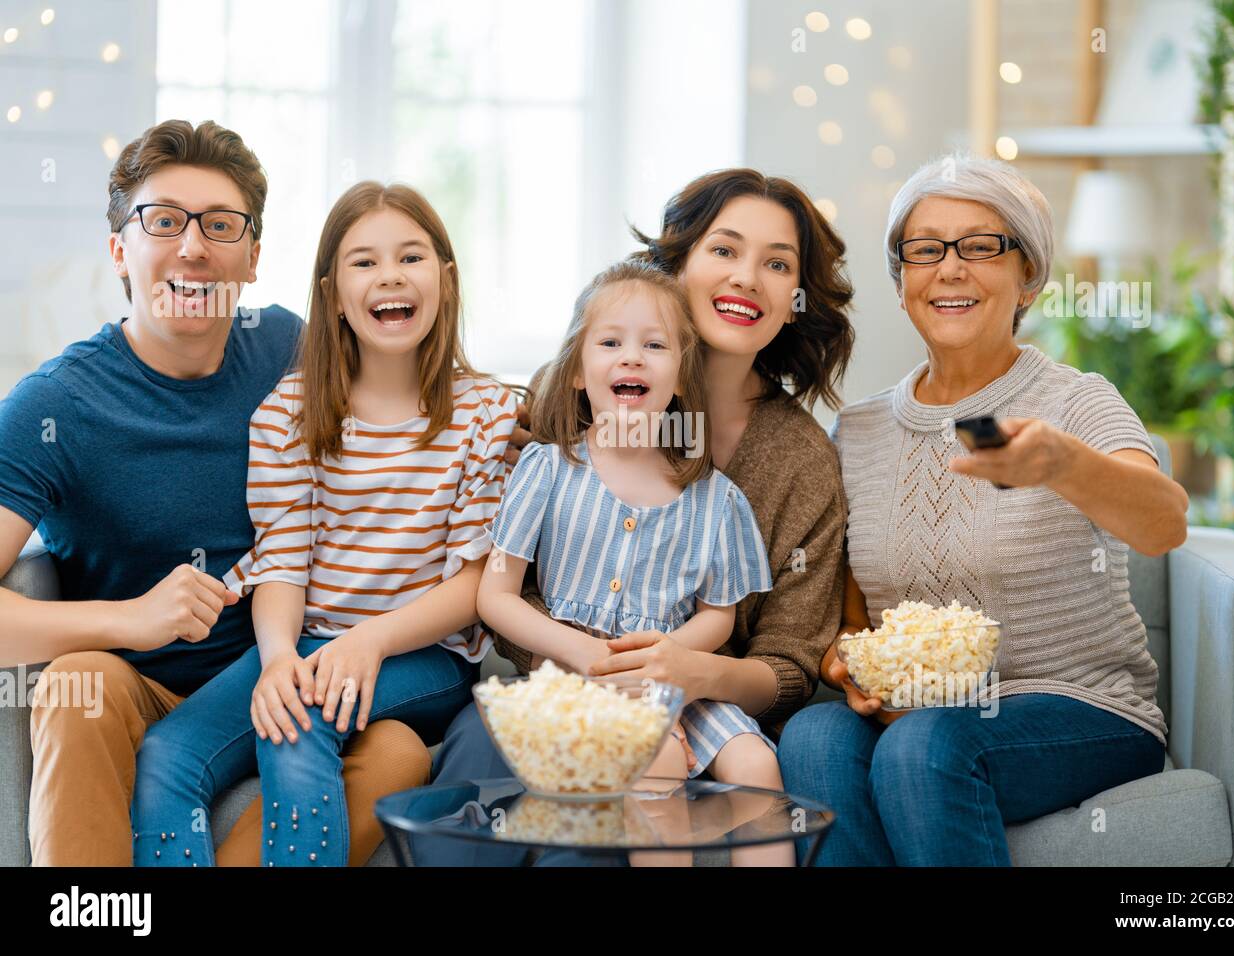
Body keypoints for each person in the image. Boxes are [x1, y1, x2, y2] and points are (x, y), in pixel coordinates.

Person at [0, 120, 429, 866]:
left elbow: (429, 400)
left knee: (397, 750)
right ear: (119, 250)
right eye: (162, 221)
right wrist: (131, 619)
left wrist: (540, 434)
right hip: (144, 688)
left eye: (220, 226)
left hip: (291, 680)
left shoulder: (294, 351)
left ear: (253, 257)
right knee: (80, 685)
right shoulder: (54, 407)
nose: (193, 247)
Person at [429, 169, 855, 865]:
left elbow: (789, 661)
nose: (748, 277)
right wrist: (598, 676)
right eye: (725, 250)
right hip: (563, 684)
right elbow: (513, 581)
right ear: (677, 264)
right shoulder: (569, 401)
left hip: (703, 697)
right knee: (490, 760)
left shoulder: (799, 465)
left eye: (777, 264)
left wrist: (686, 676)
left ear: (796, 300)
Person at [778, 153, 1190, 866]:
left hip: (1078, 707)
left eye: (981, 246)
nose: (950, 268)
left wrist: (1062, 464)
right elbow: (851, 617)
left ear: (1027, 274)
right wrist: (852, 665)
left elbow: (1164, 524)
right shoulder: (862, 430)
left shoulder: (1075, 402)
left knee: (925, 744)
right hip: (920, 708)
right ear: (902, 279)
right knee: (813, 737)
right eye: (925, 249)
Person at [129, 180, 516, 866]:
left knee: (301, 715)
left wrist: (368, 642)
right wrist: (278, 655)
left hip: (423, 654)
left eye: (412, 257)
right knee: (169, 753)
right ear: (334, 293)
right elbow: (282, 558)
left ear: (446, 281)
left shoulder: (487, 414)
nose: (390, 275)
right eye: (364, 262)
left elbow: (472, 584)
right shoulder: (289, 412)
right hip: (304, 638)